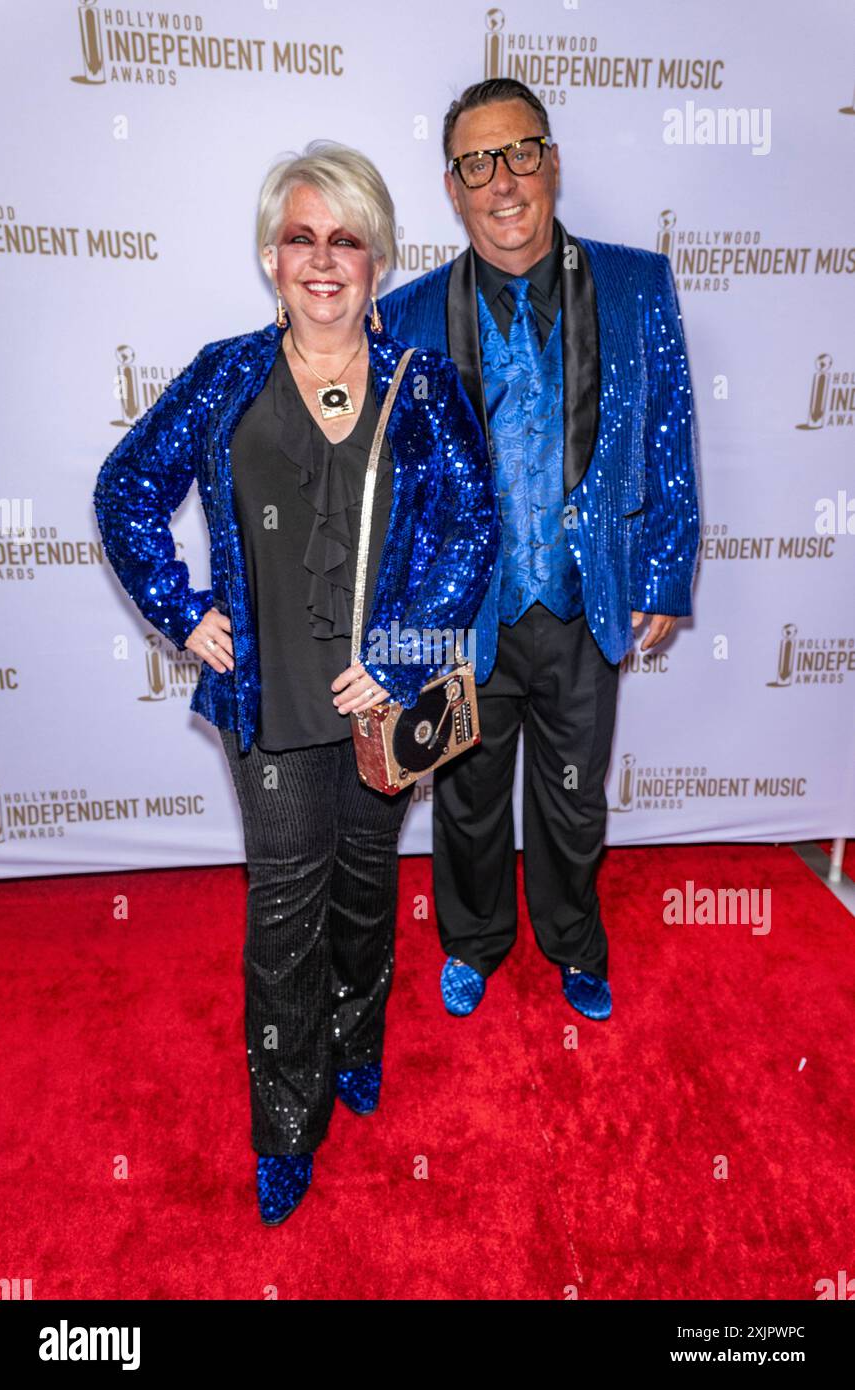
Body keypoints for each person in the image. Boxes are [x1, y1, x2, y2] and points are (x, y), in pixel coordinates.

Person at [93, 141, 500, 1225]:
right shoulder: (225, 372)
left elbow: (472, 526)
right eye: (301, 237)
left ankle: (357, 1041)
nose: (323, 260)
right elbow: (127, 484)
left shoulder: (426, 387)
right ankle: (285, 1121)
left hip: (377, 704)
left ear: (375, 260)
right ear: (272, 257)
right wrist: (181, 611)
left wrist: (407, 644)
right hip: (267, 700)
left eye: (346, 239)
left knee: (367, 895)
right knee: (284, 914)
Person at [379, 79, 700, 1022]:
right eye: (478, 163)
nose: (503, 181)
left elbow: (671, 435)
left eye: (520, 152)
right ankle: (474, 941)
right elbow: (395, 487)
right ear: (453, 186)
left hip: (586, 593)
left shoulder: (637, 282)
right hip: (468, 612)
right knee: (469, 797)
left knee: (573, 793)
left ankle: (573, 941)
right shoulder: (404, 316)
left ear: (552, 162)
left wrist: (663, 571)